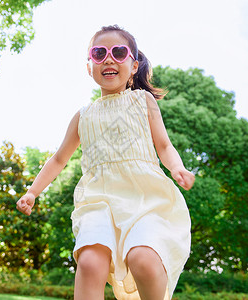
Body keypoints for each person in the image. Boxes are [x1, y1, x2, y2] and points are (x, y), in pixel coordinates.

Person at [17, 24, 195, 300]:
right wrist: (32, 191)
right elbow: (58, 159)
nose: (108, 59)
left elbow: (164, 145)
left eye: (118, 52)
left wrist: (177, 168)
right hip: (98, 201)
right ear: (89, 67)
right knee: (89, 263)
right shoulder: (83, 116)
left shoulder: (143, 101)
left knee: (144, 260)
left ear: (133, 65)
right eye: (99, 53)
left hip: (144, 198)